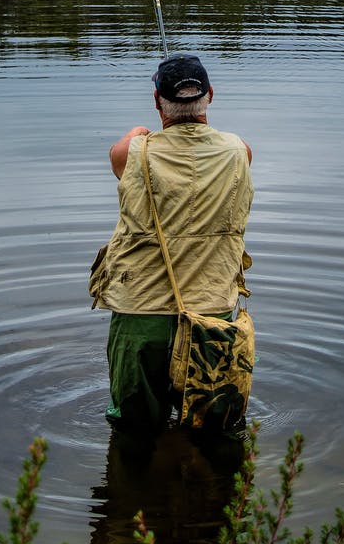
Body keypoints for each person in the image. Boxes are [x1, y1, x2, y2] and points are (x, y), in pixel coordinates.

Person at [90, 53, 253, 434]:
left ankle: (132, 485)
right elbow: (232, 146)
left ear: (156, 101)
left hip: (140, 311)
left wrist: (140, 129)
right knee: (212, 428)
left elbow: (124, 146)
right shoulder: (239, 152)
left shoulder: (132, 153)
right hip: (211, 311)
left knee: (134, 427)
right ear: (210, 95)